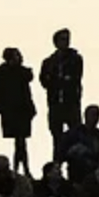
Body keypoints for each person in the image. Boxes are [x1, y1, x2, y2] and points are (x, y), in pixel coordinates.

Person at [38, 29, 84, 162]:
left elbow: (75, 78)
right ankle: (56, 168)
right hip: (55, 104)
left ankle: (74, 168)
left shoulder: (75, 58)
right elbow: (44, 80)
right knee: (56, 138)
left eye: (67, 39)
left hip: (71, 103)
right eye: (63, 39)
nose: (66, 42)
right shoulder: (49, 62)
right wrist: (57, 81)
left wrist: (60, 81)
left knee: (75, 136)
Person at [0, 47, 37, 176]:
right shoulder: (2, 74)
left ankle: (21, 169)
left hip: (23, 111)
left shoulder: (23, 73)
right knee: (20, 142)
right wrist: (4, 110)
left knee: (21, 142)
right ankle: (22, 170)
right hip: (12, 112)